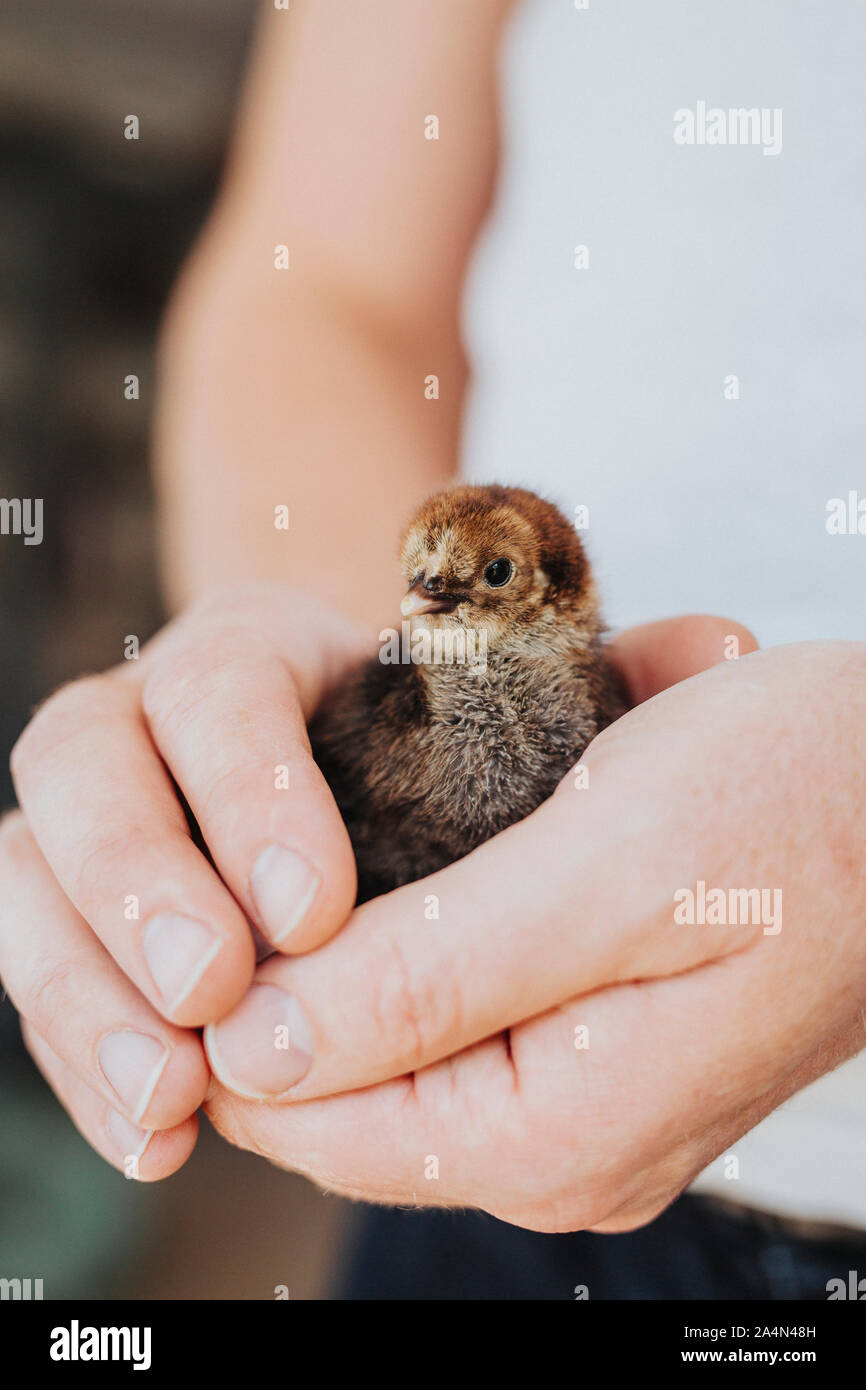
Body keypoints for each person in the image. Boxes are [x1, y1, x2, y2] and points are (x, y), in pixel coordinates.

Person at [1, 0, 864, 1299]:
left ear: (556, 595)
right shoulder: (413, 678)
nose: (435, 607)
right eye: (425, 588)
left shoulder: (558, 684)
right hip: (483, 1190)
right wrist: (248, 741)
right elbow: (328, 288)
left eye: (487, 582)